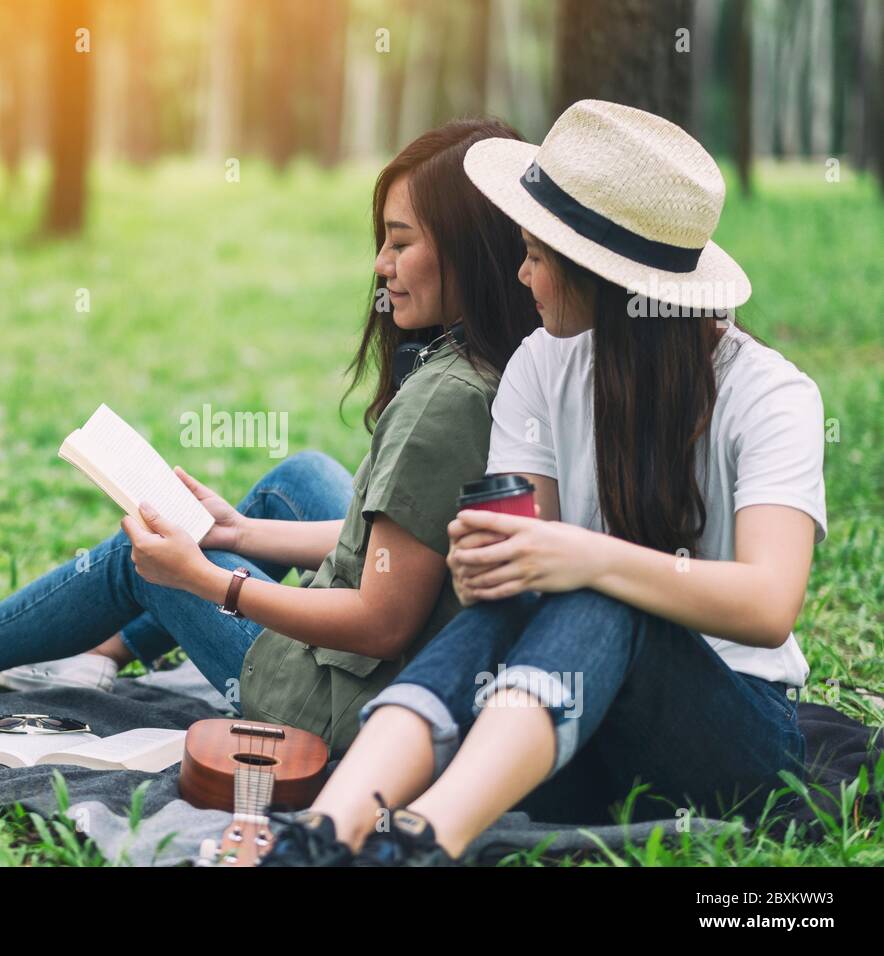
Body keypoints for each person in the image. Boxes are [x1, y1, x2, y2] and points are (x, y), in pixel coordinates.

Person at [0, 119, 540, 758]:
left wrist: (209, 581)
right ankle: (100, 652)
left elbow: (380, 621)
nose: (381, 266)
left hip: (331, 706)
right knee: (296, 482)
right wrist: (235, 535)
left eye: (401, 241)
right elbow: (403, 551)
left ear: (469, 245)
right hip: (412, 657)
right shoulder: (519, 357)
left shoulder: (444, 401)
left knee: (141, 552)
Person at [260, 99, 824, 865]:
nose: (519, 273)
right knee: (524, 601)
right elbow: (524, 567)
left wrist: (585, 557)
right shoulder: (539, 365)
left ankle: (423, 841)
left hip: (729, 733)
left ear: (596, 275)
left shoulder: (769, 396)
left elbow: (768, 603)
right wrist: (487, 561)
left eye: (536, 254)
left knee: (600, 594)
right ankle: (328, 827)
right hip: (566, 731)